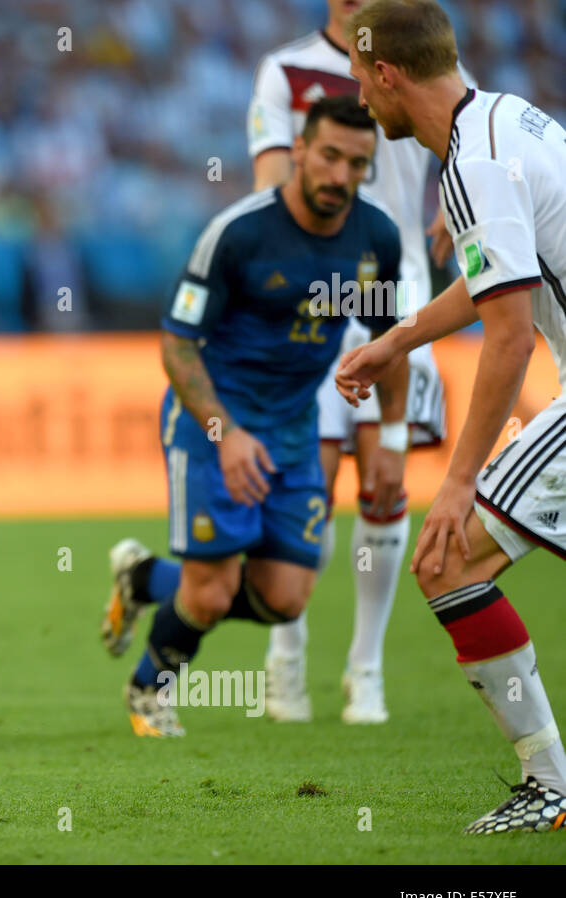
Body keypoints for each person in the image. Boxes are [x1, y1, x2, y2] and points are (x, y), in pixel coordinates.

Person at [101, 95, 409, 736]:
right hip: (211, 421)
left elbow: (391, 342)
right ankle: (147, 691)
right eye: (328, 156)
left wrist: (392, 437)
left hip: (293, 429)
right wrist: (227, 433)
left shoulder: (375, 239)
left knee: (284, 597)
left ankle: (141, 578)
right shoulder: (239, 233)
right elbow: (177, 344)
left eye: (358, 164)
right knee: (210, 592)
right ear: (298, 150)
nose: (340, 176)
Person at [336, 0, 566, 833]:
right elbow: (499, 280)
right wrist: (397, 339)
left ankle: (550, 786)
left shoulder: (473, 165)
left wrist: (460, 480)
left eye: (361, 77)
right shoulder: (507, 119)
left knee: (445, 558)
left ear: (390, 74)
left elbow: (508, 337)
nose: (359, 95)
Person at [243, 0, 469, 725]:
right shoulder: (284, 70)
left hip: (397, 284)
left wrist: (459, 203)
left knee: (384, 479)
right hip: (310, 295)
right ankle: (287, 656)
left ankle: (364, 670)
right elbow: (268, 185)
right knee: (312, 481)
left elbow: (469, 136)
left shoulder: (425, 56)